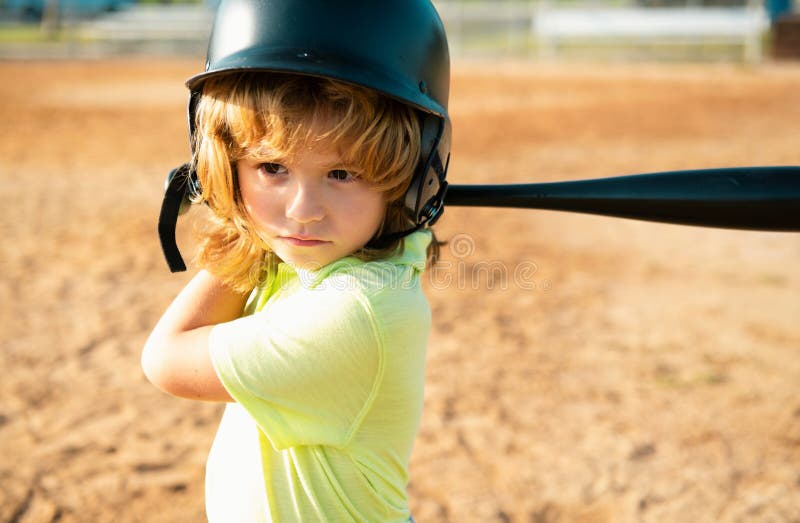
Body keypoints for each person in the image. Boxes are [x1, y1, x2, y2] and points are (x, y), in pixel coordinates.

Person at [142, 0, 451, 521]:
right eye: (272, 167)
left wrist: (240, 228)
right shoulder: (329, 259)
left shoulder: (356, 311)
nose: (302, 212)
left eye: (343, 174)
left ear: (413, 178)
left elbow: (165, 360)